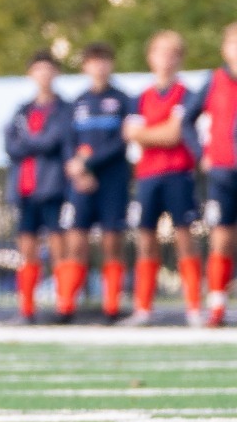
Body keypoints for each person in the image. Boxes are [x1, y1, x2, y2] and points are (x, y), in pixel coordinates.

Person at [123, 30, 202, 326]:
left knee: (185, 236)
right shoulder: (140, 97)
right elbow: (131, 134)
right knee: (145, 239)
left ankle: (194, 305)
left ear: (180, 59)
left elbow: (174, 134)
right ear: (151, 57)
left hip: (179, 174)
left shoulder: (188, 94)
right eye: (160, 52)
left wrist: (150, 134)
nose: (166, 60)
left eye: (172, 53)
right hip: (147, 177)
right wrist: (157, 133)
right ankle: (143, 308)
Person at [4, 50, 77, 325]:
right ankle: (26, 308)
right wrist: (36, 143)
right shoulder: (23, 110)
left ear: (56, 73)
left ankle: (64, 304)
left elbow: (53, 141)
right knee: (26, 247)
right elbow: (10, 145)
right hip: (25, 188)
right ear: (31, 74)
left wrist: (30, 143)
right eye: (38, 70)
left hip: (52, 187)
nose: (43, 75)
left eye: (48, 69)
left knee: (59, 244)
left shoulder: (63, 109)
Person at [63, 42, 132, 322]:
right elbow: (69, 142)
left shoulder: (123, 100)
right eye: (93, 61)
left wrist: (88, 164)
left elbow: (121, 141)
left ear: (111, 64)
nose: (99, 66)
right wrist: (76, 168)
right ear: (85, 66)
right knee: (76, 240)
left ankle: (111, 306)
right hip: (81, 183)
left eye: (104, 60)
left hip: (113, 180)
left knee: (111, 241)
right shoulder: (77, 102)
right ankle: (66, 305)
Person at [186, 23, 237, 328]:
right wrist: (200, 153)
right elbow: (186, 121)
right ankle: (216, 302)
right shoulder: (213, 81)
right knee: (221, 235)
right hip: (222, 172)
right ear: (225, 48)